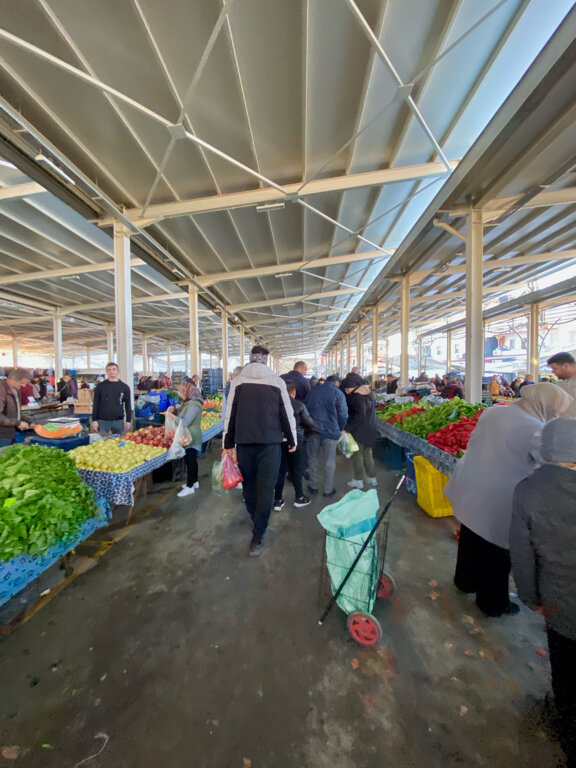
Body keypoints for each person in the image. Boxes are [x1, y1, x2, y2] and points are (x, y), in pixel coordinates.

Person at [445, 384, 574, 617]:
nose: (555, 415)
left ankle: (465, 581)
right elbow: (550, 461)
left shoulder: (495, 411)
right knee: (497, 553)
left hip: (472, 482)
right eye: (555, 410)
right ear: (544, 405)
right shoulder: (535, 427)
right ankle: (492, 603)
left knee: (471, 535)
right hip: (499, 495)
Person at [511, 418, 576, 768]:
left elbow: (521, 552)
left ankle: (566, 728)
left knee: (565, 665)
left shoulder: (530, 489)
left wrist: (529, 596)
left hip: (559, 599)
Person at [223, 345, 297, 557]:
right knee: (266, 487)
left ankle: (255, 516)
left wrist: (227, 444)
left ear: (250, 359)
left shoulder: (237, 382)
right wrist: (292, 439)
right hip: (270, 445)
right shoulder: (277, 382)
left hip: (244, 445)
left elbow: (230, 415)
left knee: (249, 484)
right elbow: (287, 413)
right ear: (266, 360)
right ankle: (259, 532)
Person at [273, 380, 314, 510]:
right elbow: (309, 423)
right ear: (294, 392)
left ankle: (278, 500)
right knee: (296, 470)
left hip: (278, 442)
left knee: (280, 471)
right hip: (297, 441)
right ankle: (299, 498)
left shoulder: (274, 405)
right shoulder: (299, 405)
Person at [306, 374, 348, 498]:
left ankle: (312, 486)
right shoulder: (338, 393)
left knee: (312, 458)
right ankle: (327, 490)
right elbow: (343, 414)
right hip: (330, 431)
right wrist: (340, 427)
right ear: (337, 383)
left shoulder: (313, 391)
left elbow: (305, 408)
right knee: (329, 461)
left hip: (312, 430)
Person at [340, 373, 378, 490]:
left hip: (359, 431)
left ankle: (358, 480)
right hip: (370, 429)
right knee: (368, 454)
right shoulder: (369, 393)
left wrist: (347, 428)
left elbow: (359, 416)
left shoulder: (357, 397)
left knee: (356, 455)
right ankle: (372, 478)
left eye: (348, 388)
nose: (347, 391)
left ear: (354, 386)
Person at [166, 382, 204, 499]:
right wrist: (175, 408)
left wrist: (172, 416)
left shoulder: (194, 405)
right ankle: (195, 481)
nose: (179, 394)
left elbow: (186, 421)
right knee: (191, 460)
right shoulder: (189, 403)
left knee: (190, 460)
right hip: (188, 435)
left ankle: (190, 486)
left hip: (190, 436)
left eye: (181, 392)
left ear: (187, 392)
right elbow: (184, 410)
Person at [91, 362, 132, 435]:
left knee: (118, 442)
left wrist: (128, 420)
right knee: (102, 442)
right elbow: (96, 404)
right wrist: (94, 420)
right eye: (109, 370)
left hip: (118, 421)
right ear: (106, 372)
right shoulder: (100, 387)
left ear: (118, 371)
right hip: (103, 421)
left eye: (114, 369)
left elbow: (128, 405)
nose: (111, 371)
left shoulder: (124, 387)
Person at [0, 368, 34, 445]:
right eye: (22, 383)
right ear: (12, 379)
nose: (24, 386)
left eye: (26, 383)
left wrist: (29, 422)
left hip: (12, 433)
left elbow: (17, 412)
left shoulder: (16, 390)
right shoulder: (1, 390)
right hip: (2, 435)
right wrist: (18, 423)